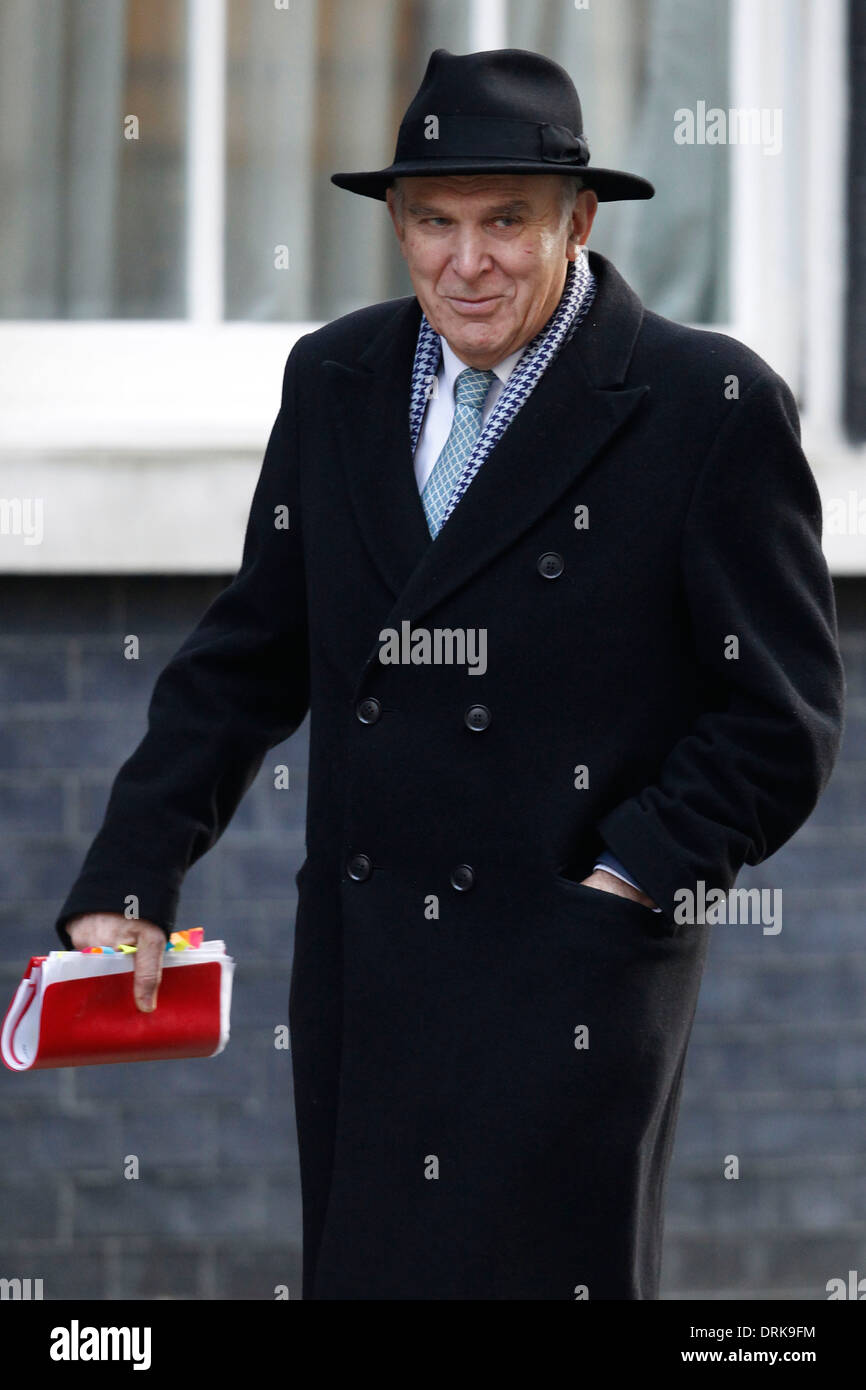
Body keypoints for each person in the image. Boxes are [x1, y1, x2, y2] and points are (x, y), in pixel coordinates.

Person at [56, 48, 846, 1300]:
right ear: (394, 223)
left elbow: (778, 717)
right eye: (434, 222)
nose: (464, 263)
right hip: (368, 970)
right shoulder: (332, 379)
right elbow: (247, 654)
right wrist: (133, 869)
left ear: (575, 221)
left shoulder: (708, 403)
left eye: (504, 224)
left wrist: (628, 873)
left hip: (570, 973)